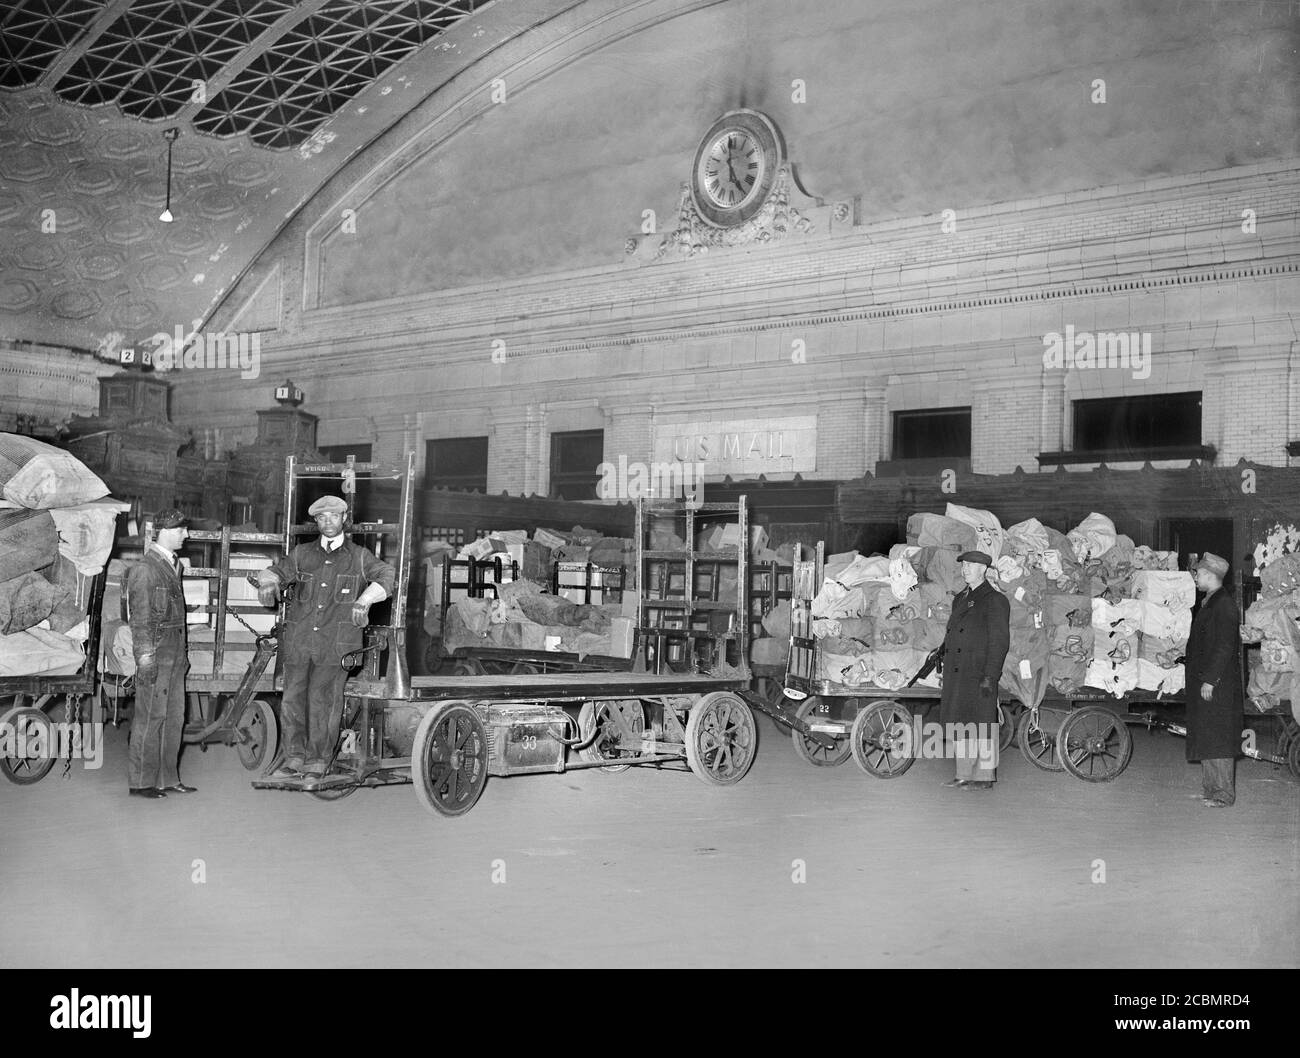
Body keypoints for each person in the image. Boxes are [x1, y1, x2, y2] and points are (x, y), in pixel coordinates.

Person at [254, 495, 395, 789]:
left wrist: (365, 600)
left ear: (344, 518)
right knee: (292, 699)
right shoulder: (302, 553)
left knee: (322, 701)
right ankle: (293, 758)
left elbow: (387, 576)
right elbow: (276, 572)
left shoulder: (358, 556)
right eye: (321, 518)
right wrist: (268, 584)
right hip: (299, 641)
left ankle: (317, 760)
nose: (327, 522)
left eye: (333, 516)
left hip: (336, 644)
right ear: (315, 522)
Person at [125, 508, 194, 799]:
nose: (186, 534)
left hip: (175, 656)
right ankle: (141, 782)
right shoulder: (145, 569)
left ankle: (168, 778)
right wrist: (145, 659)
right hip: (156, 654)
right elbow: (140, 621)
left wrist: (183, 656)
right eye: (181, 530)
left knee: (174, 717)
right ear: (165, 531)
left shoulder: (170, 565)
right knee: (150, 718)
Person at [937, 550, 1010, 791]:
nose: (965, 568)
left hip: (979, 672)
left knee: (983, 724)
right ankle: (963, 774)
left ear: (984, 569)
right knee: (961, 723)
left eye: (971, 565)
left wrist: (991, 675)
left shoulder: (995, 600)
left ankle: (985, 776)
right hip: (958, 672)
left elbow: (999, 642)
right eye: (963, 565)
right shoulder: (960, 598)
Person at [1185, 552, 1243, 807]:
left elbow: (1224, 647)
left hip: (1216, 684)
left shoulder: (1225, 605)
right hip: (1205, 680)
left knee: (1218, 738)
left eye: (1197, 574)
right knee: (1208, 735)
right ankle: (1211, 789)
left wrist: (1210, 680)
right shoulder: (1210, 601)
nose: (1195, 578)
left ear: (1210, 575)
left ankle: (1223, 795)